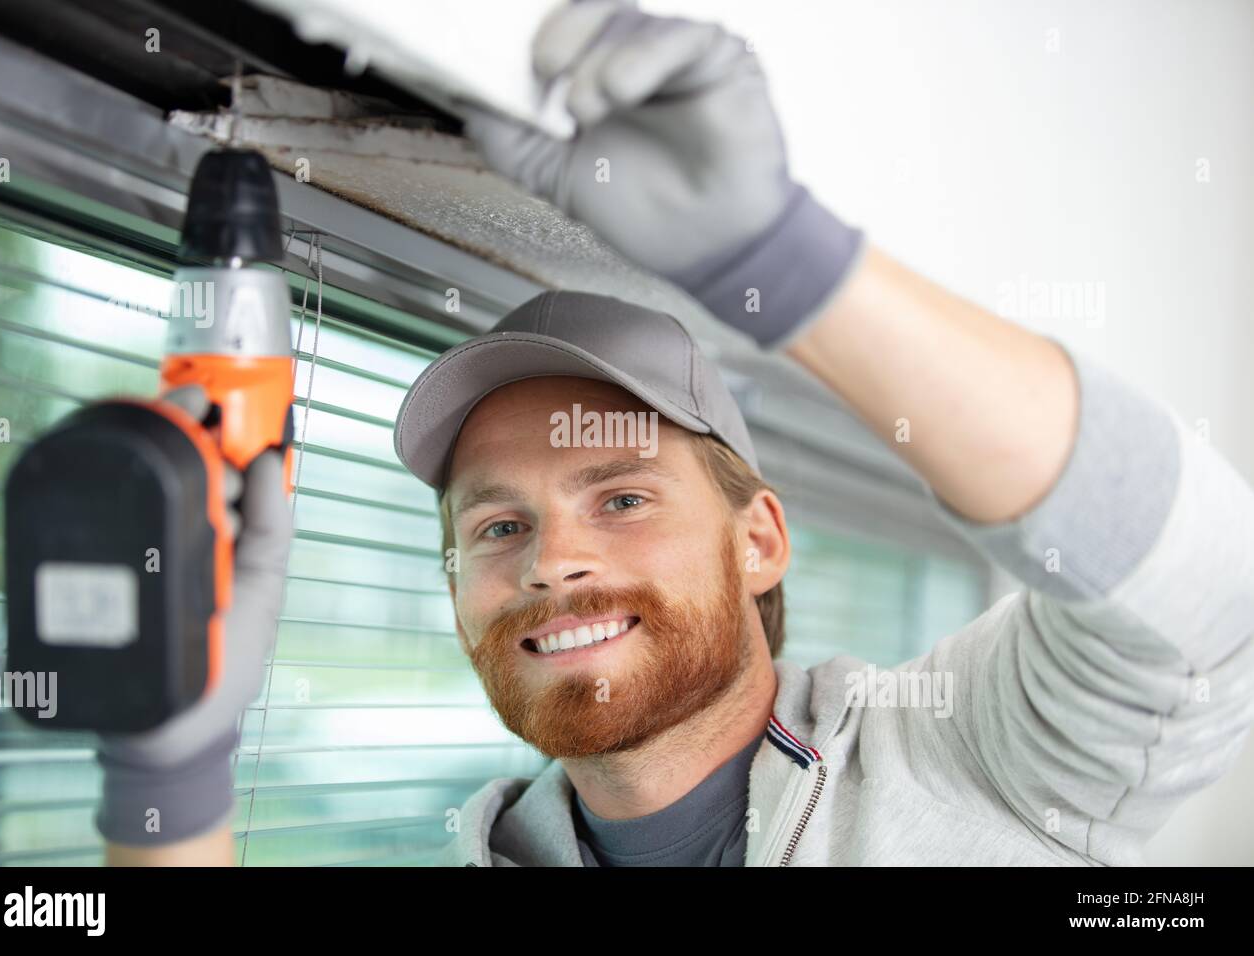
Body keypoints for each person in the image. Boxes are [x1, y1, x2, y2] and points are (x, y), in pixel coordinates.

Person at [98, 1, 1254, 866]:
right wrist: (173, 764)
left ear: (757, 539)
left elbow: (1206, 600)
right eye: (499, 523)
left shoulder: (972, 762)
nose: (550, 560)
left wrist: (787, 264)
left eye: (622, 496)